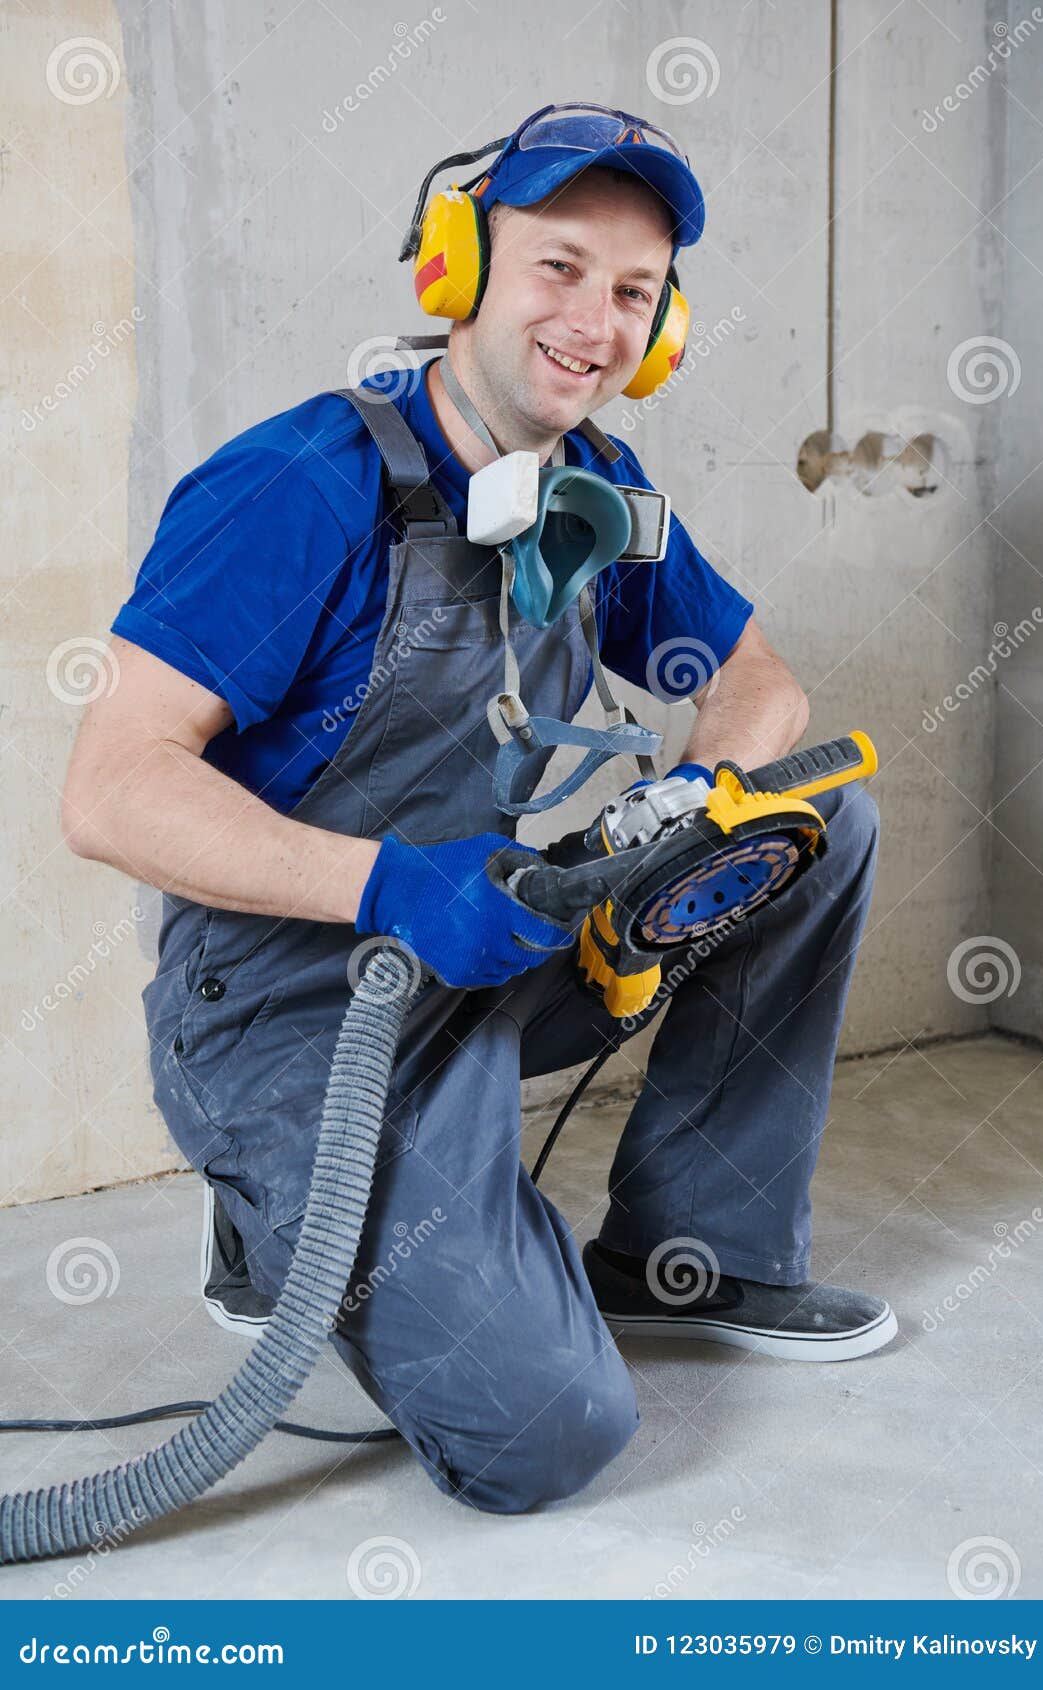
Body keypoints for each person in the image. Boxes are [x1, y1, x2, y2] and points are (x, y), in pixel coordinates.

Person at [61, 103, 893, 1517]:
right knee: (547, 1429)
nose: (596, 319)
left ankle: (686, 1244)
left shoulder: (596, 492)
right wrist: (390, 888)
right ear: (459, 269)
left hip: (500, 931)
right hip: (296, 1003)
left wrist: (704, 787)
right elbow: (110, 788)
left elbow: (758, 678)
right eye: (559, 267)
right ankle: (283, 1209)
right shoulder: (302, 486)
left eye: (634, 291)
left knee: (812, 829)